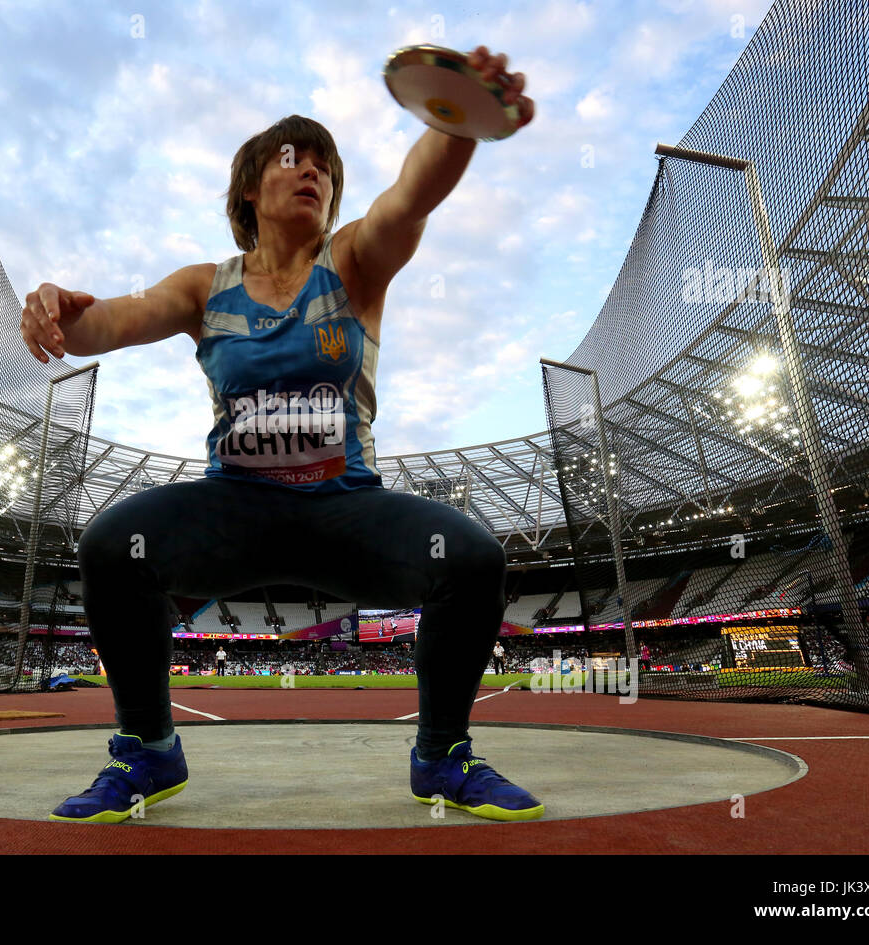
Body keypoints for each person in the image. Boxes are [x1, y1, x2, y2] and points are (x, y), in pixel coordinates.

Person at [27, 47, 541, 825]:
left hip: (346, 512)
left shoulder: (355, 261)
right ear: (248, 187)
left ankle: (441, 756)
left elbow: (412, 195)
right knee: (110, 544)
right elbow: (116, 318)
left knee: (472, 558)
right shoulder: (207, 286)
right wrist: (65, 314)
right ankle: (148, 749)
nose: (314, 175)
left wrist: (457, 116)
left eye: (327, 170)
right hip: (233, 510)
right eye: (294, 159)